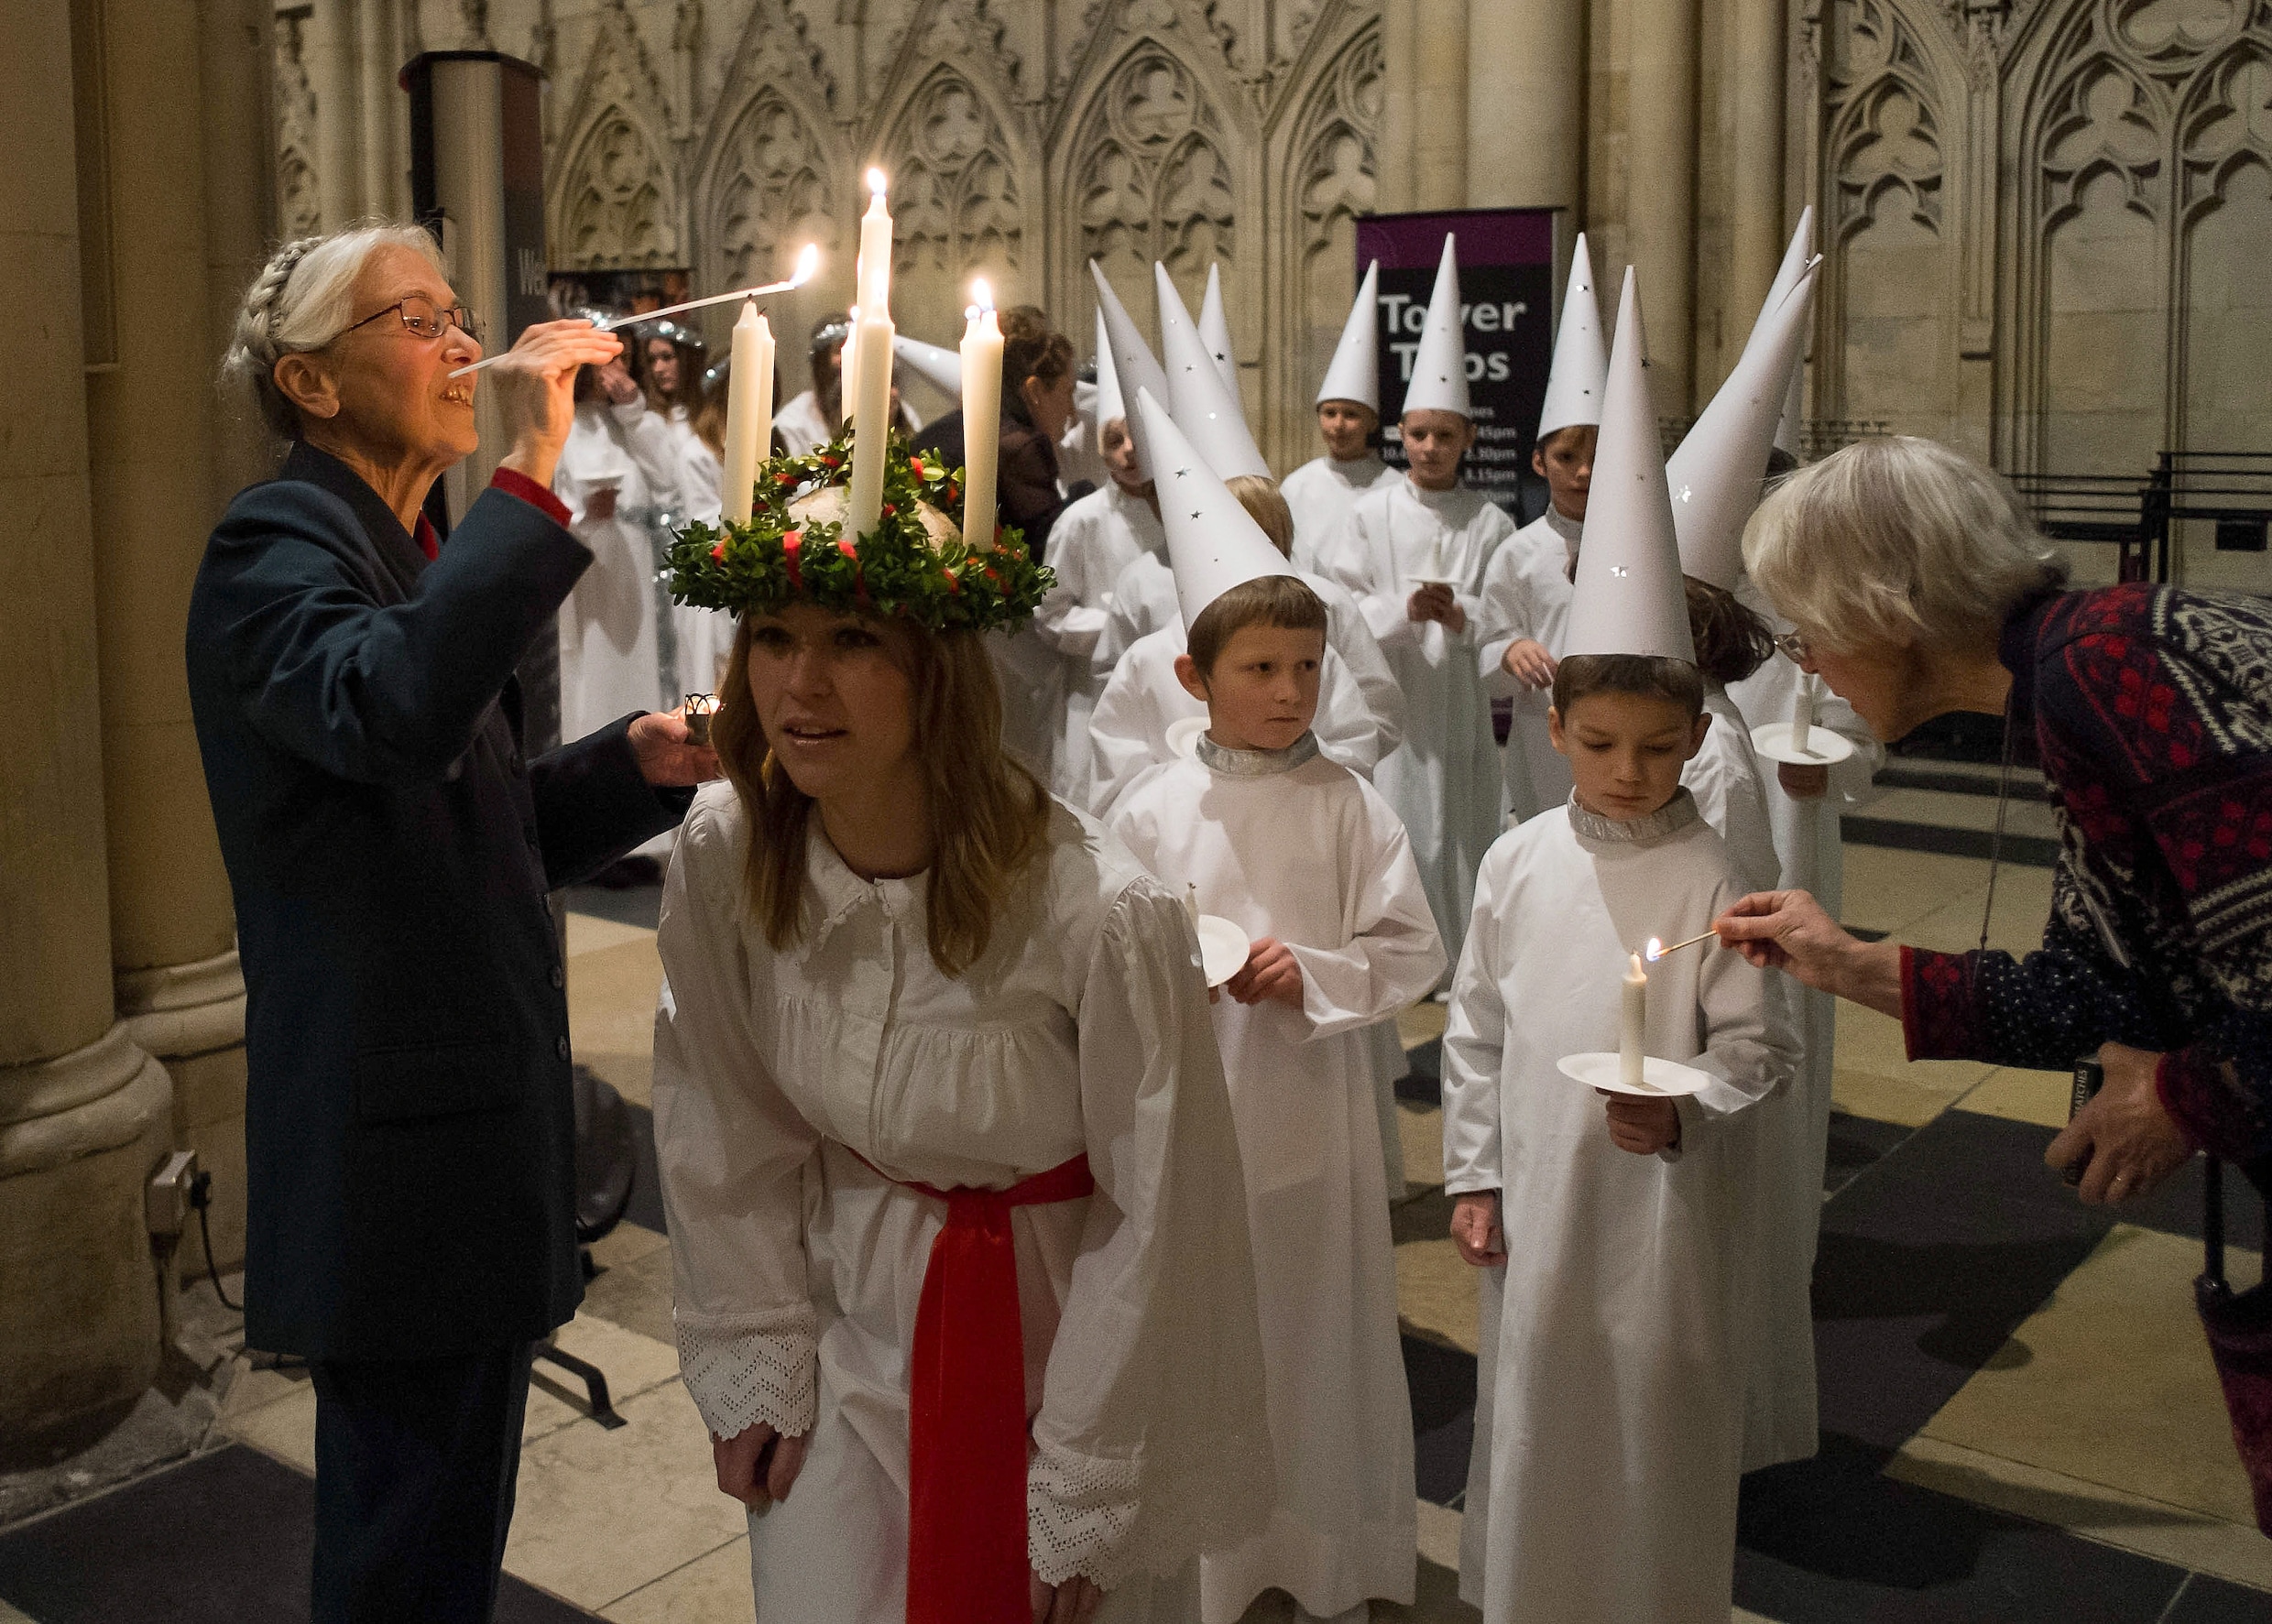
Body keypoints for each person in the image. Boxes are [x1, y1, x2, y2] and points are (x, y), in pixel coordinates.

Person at [189, 223, 716, 1623]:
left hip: (464, 1129)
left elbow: (474, 830)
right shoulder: (274, 547)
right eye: (416, 320)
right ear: (310, 382)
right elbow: (392, 711)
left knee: (447, 1551)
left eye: (458, 312)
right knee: (401, 1557)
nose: (466, 348)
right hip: (393, 1148)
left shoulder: (409, 544)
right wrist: (534, 468)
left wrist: (633, 765)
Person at [650, 436, 1272, 1623]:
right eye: (773, 636)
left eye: (852, 641)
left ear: (938, 667)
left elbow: (1164, 1211)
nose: (799, 685)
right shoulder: (729, 853)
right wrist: (755, 1352)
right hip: (841, 1333)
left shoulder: (1099, 907)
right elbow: (718, 1108)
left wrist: (1085, 1479)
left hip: (1052, 1349)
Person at [1441, 278, 1788, 1622]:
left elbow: (1764, 1043)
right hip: (1539, 1189)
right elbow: (1475, 1030)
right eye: (1599, 745)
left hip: (1663, 1212)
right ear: (1555, 730)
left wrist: (1691, 1104)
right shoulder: (1520, 862)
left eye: (1659, 746)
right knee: (1536, 1410)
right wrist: (1474, 1171)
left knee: (1653, 1429)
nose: (1630, 770)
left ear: (1701, 735)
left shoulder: (1721, 877)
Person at [1715, 435, 2272, 1200]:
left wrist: (2184, 1098)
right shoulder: (2070, 678)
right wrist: (1849, 964)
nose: (1808, 663)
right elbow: (2094, 993)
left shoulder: (2110, 667)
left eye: (1805, 634)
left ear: (1883, 608)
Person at [1109, 398, 1444, 1624]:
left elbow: (1413, 945)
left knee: (1306, 1331)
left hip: (1309, 1114)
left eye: (1308, 667)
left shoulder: (1346, 803)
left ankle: (1310, 1548)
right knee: (1200, 1331)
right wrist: (1164, 968)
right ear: (1194, 676)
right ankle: (1202, 1557)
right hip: (1191, 1113)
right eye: (1260, 669)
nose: (1292, 690)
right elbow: (1101, 941)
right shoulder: (1151, 804)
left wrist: (1315, 969)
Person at [1316, 236, 1513, 972]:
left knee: (1458, 823)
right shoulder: (1370, 514)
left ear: (1467, 438)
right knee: (1402, 819)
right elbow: (1345, 603)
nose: (1430, 446)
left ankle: (1457, 951)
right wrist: (1405, 607)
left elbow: (1501, 611)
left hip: (1456, 698)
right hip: (1398, 693)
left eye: (1445, 435)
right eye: (1419, 433)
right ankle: (1405, 950)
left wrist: (1459, 614)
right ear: (1402, 433)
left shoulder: (1488, 520)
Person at [1476, 234, 1608, 824]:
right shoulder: (1518, 551)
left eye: (1599, 457)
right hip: (1543, 738)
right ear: (1538, 462)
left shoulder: (1650, 549)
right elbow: (1486, 644)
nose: (1583, 472)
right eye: (1566, 457)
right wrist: (1511, 649)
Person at [1037, 281, 1168, 804]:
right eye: (1115, 440)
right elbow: (1049, 615)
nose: (1130, 451)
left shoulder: (1180, 516)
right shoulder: (1081, 522)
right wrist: (1115, 624)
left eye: (1138, 435)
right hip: (1092, 696)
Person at [554, 338, 684, 752]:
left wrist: (633, 412)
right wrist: (586, 515)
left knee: (646, 666)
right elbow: (553, 501)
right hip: (596, 565)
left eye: (623, 359)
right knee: (602, 667)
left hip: (641, 563)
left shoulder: (634, 422)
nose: (614, 370)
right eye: (603, 360)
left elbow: (667, 480)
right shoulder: (564, 424)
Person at [1281, 261, 1398, 567]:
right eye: (1330, 413)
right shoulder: (1298, 485)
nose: (1338, 425)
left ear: (1372, 421)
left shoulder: (1395, 488)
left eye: (1351, 414)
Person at [773, 315, 849, 456]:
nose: (848, 361)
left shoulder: (892, 409)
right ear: (820, 365)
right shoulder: (793, 423)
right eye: (838, 350)